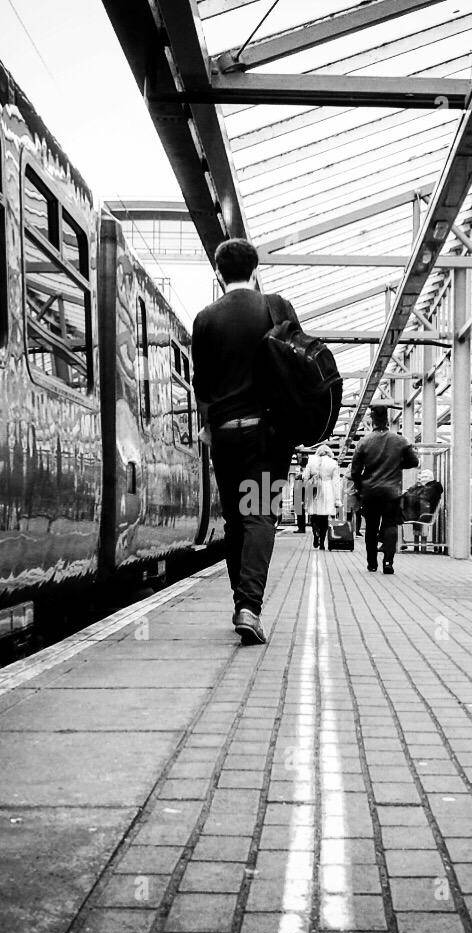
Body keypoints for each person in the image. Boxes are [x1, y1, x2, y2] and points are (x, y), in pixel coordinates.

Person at [192, 238, 300, 645]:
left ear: (219, 273)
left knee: (236, 519)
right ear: (255, 269)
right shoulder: (276, 307)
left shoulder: (205, 319)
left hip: (224, 437)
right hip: (265, 437)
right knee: (258, 515)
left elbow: (201, 385)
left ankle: (242, 600)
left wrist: (208, 424)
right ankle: (248, 606)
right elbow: (298, 363)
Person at [351, 402, 419, 575]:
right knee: (390, 526)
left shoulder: (364, 442)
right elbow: (414, 461)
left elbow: (355, 472)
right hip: (392, 493)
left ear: (372, 420)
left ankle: (371, 562)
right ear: (387, 420)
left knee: (371, 528)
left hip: (370, 492)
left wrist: (360, 489)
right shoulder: (400, 440)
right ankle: (388, 562)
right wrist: (397, 465)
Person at [306, 444, 339, 549]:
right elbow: (336, 482)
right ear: (329, 452)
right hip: (328, 490)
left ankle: (315, 533)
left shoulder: (311, 461)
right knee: (324, 518)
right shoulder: (333, 463)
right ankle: (322, 544)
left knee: (314, 516)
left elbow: (305, 477)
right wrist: (337, 499)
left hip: (314, 490)